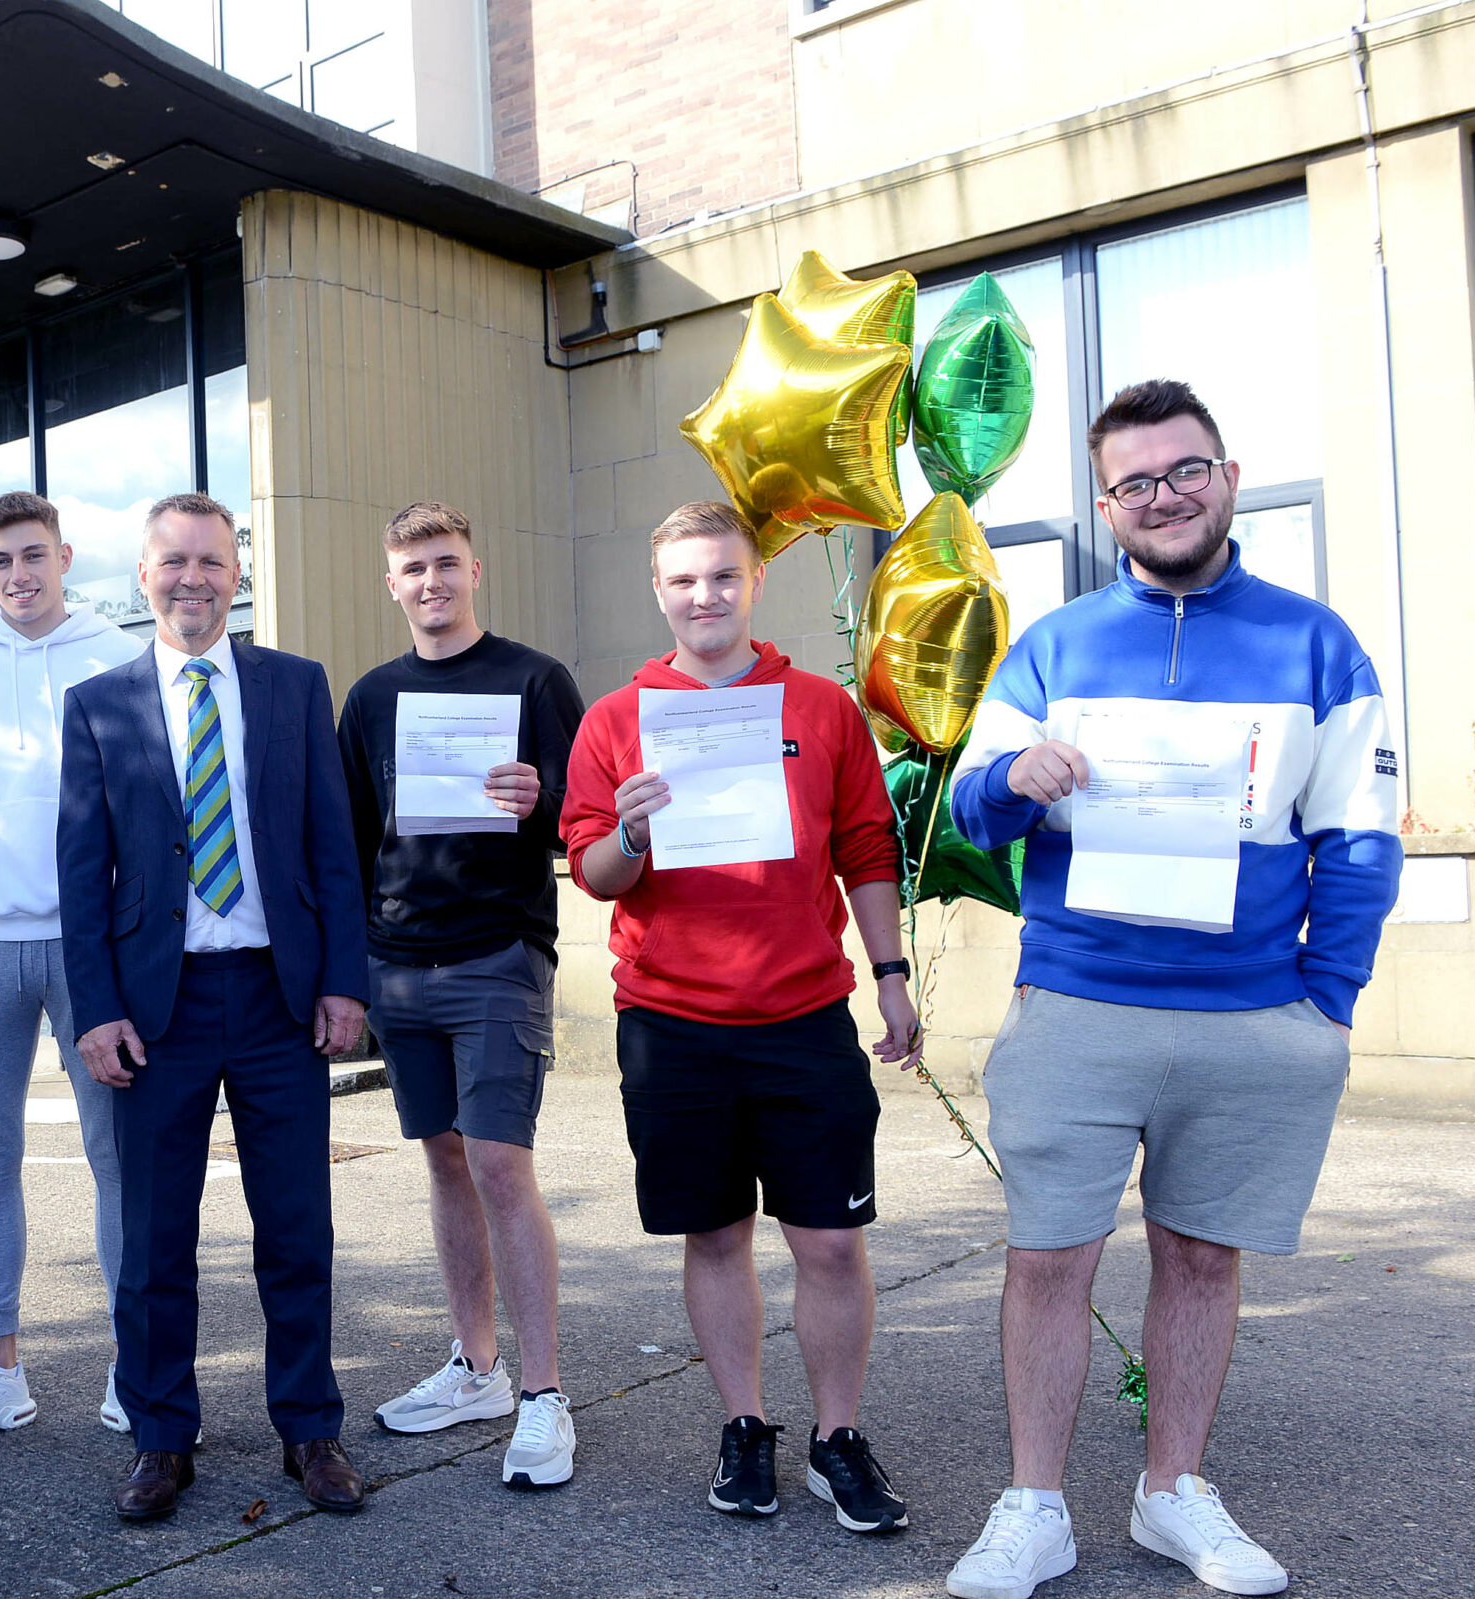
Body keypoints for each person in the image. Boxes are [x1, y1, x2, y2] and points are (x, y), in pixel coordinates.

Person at [943, 379, 1402, 1599]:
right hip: (1079, 1004)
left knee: (1199, 1260)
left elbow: (1358, 835)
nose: (1164, 496)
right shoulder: (1053, 645)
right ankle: (1032, 1508)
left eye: (1183, 470)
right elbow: (965, 810)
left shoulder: (1317, 642)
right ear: (1106, 507)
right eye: (1135, 482)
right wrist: (1011, 780)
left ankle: (1169, 1493)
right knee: (1049, 1259)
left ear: (1228, 476)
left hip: (1255, 1017)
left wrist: (1325, 999)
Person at [561, 501, 922, 1534]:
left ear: (753, 582)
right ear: (658, 591)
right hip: (671, 1023)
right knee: (714, 1237)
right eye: (682, 581)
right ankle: (745, 1424)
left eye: (721, 576)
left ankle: (836, 1439)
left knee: (828, 1242)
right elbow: (593, 874)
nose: (702, 596)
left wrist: (891, 976)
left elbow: (863, 847)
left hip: (804, 1014)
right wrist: (630, 830)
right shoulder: (614, 720)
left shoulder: (817, 706)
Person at [58, 492, 372, 1522]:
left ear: (237, 574)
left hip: (280, 1001)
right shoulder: (98, 704)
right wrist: (96, 1009)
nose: (193, 577)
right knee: (154, 1242)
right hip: (160, 1010)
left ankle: (309, 1431)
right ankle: (160, 1439)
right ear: (142, 577)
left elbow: (333, 847)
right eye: (173, 561)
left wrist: (342, 980)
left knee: (296, 1228)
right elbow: (81, 871)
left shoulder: (291, 686)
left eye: (212, 561)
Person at [337, 502, 587, 1489]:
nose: (430, 581)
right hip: (397, 963)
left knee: (497, 1164)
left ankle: (542, 1393)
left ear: (474, 571)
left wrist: (545, 803)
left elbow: (587, 821)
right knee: (443, 1161)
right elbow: (352, 839)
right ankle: (474, 1366)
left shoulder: (533, 681)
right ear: (389, 584)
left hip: (495, 957)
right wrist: (351, 972)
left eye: (445, 564)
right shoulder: (370, 699)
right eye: (412, 568)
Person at [0, 492, 142, 1450]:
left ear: (66, 558)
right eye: (0, 560)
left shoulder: (117, 656)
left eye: (33, 556)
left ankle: (139, 1366)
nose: (18, 574)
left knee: (117, 1160)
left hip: (95, 945)